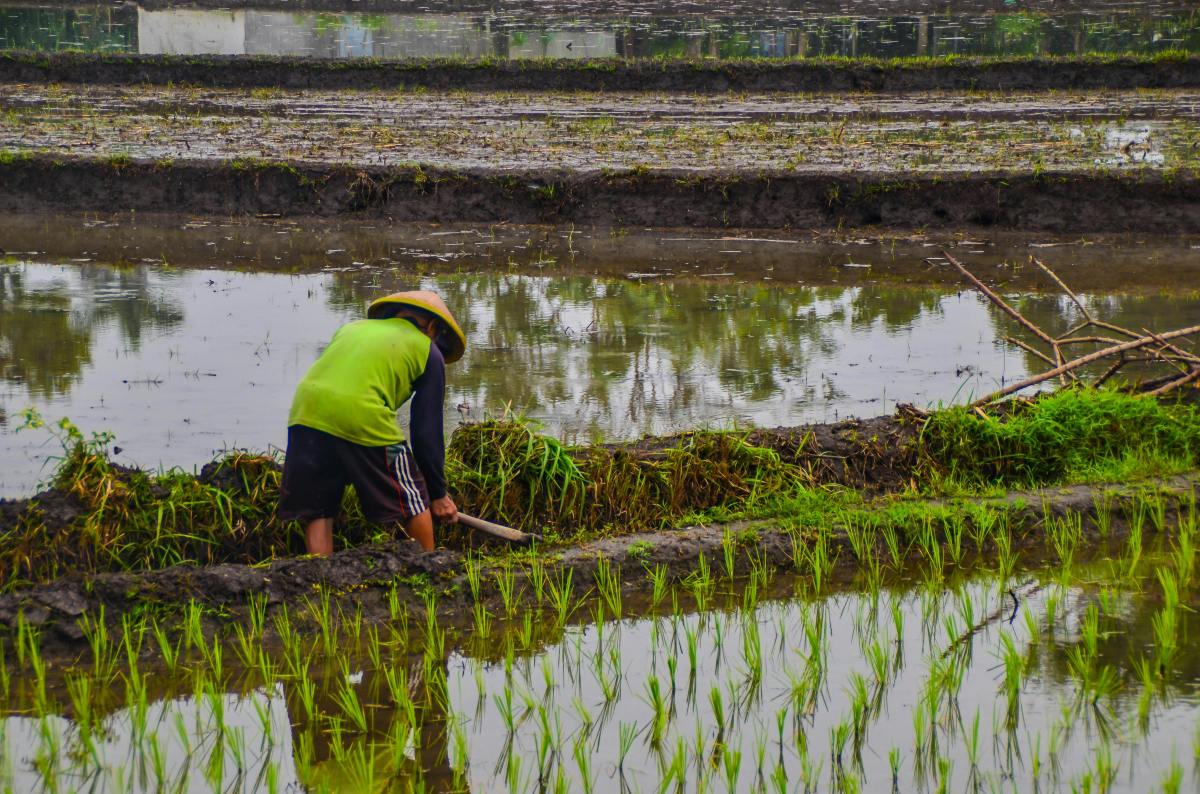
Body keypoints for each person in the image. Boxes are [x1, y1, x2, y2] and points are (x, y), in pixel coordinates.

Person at [278, 290, 465, 554]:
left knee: (319, 506)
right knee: (414, 499)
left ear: (396, 313)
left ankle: (320, 582)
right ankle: (430, 572)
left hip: (306, 411)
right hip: (362, 413)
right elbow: (426, 432)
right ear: (433, 327)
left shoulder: (352, 329)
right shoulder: (427, 350)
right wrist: (437, 494)